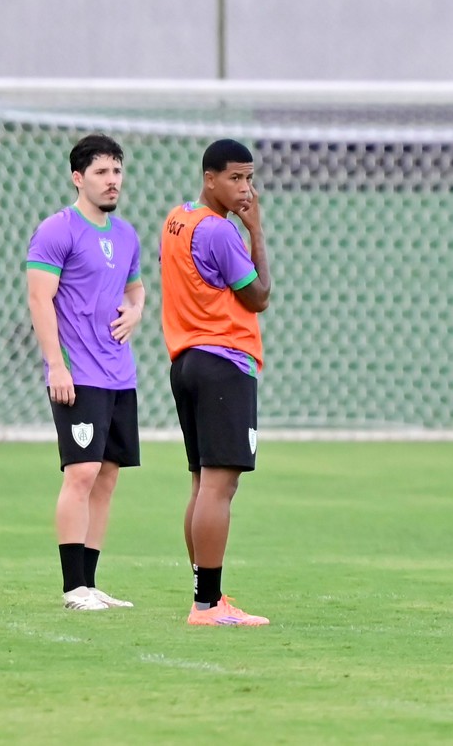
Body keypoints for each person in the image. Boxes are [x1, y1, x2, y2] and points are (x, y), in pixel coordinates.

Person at [26, 134, 144, 611]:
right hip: (78, 373)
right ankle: (73, 587)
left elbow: (135, 289)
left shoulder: (126, 234)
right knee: (82, 473)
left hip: (119, 374)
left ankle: (91, 584)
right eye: (101, 172)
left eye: (117, 171)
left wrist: (136, 310)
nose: (112, 180)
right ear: (78, 178)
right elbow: (40, 299)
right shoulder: (57, 230)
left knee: (107, 477)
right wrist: (56, 365)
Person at [160, 139, 273, 626]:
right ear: (210, 179)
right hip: (223, 361)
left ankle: (206, 594)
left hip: (186, 362)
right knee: (219, 487)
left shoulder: (176, 219)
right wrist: (256, 231)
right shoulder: (221, 232)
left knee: (202, 484)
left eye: (250, 179)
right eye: (235, 178)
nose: (245, 189)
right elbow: (259, 297)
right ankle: (207, 605)